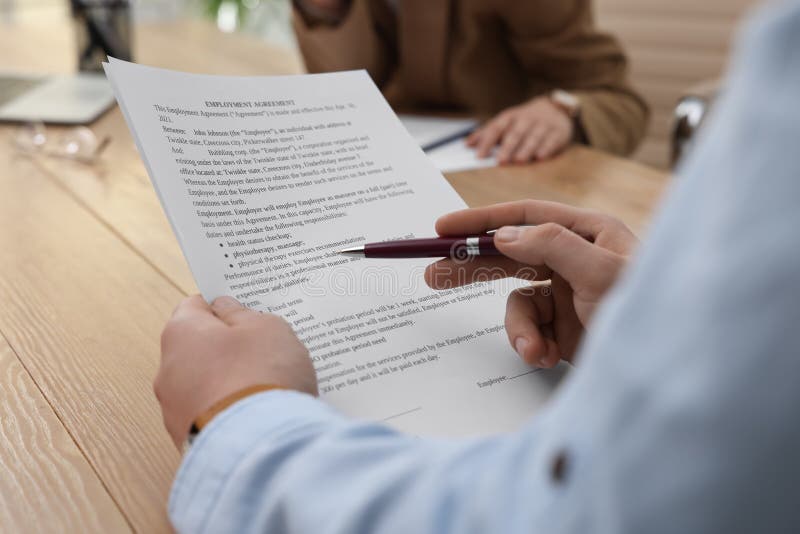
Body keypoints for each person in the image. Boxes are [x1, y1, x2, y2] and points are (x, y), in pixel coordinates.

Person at [155, 1, 800, 532]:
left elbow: (614, 93)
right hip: (424, 193)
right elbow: (342, 91)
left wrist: (239, 421)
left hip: (503, 182)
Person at [291, 0, 649, 163]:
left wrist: (562, 111)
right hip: (401, 168)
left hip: (513, 182)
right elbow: (345, 92)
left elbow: (620, 100)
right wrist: (327, 11)